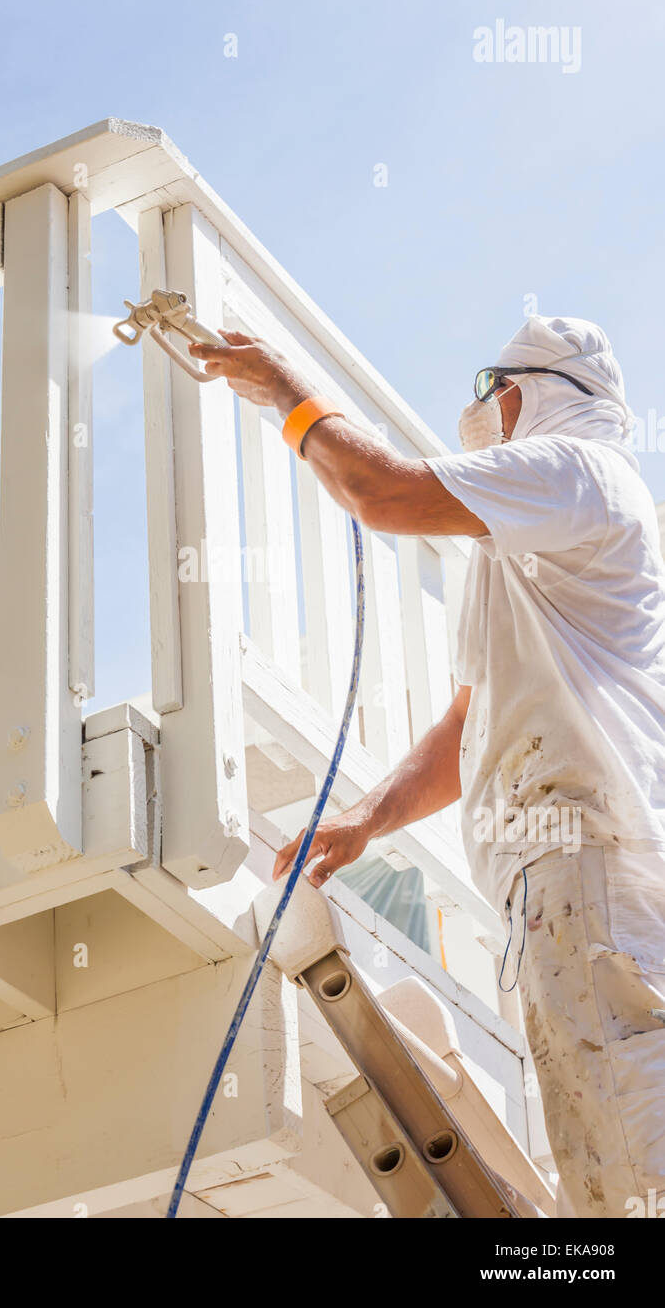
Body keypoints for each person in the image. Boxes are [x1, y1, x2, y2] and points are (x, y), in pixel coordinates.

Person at [189, 314, 665, 1219]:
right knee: (612, 1171)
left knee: (638, 1179)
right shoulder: (530, 554)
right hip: (562, 883)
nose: (487, 415)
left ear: (530, 391)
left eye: (494, 395)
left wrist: (288, 391)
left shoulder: (579, 467)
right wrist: (367, 820)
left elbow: (381, 492)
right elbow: (469, 718)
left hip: (589, 868)